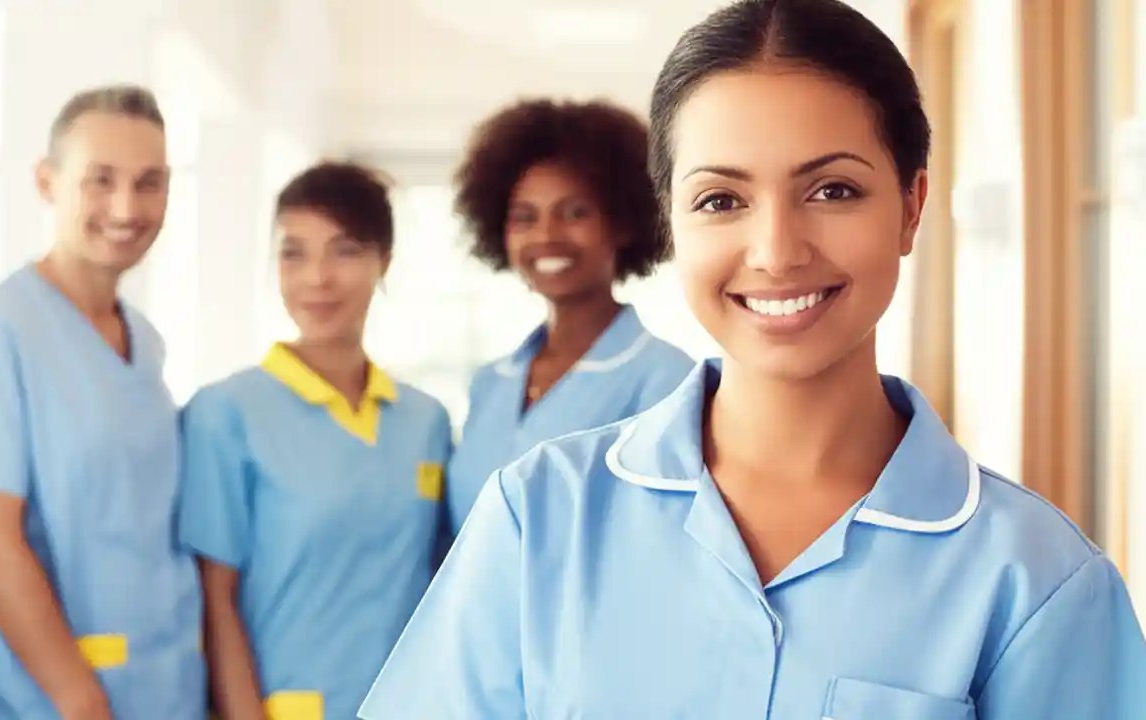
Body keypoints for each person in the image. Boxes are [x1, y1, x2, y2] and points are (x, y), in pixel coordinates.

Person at [359, 1, 1146, 717]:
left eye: (833, 190)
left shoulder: (1038, 583)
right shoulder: (539, 517)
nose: (775, 252)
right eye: (721, 201)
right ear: (671, 221)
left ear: (911, 206)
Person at [0, 85, 205, 719]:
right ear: (47, 182)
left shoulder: (146, 342)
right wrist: (80, 701)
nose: (126, 207)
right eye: (99, 180)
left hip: (164, 689)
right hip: (56, 705)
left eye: (149, 182)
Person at [177, 162, 452, 720]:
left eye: (344, 250)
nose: (316, 278)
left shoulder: (426, 422)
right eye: (293, 252)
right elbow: (215, 601)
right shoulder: (226, 414)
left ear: (384, 262)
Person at [446, 98, 695, 535]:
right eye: (525, 217)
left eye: (575, 213)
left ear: (622, 223)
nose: (546, 236)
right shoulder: (490, 383)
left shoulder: (667, 380)